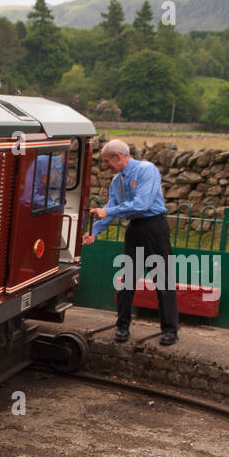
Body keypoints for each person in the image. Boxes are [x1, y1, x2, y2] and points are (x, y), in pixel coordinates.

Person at [82, 139, 179, 346]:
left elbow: (142, 204)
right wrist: (93, 232)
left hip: (154, 227)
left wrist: (108, 211)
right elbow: (111, 208)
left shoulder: (147, 170)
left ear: (118, 156)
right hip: (134, 228)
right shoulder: (117, 181)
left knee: (162, 278)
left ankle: (170, 329)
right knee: (127, 279)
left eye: (107, 161)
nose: (105, 167)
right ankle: (122, 326)